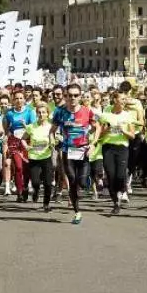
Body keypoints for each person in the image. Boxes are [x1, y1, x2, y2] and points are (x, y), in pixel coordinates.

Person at [50, 84, 100, 225]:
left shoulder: (87, 111)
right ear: (66, 96)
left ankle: (87, 181)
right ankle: (77, 212)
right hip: (67, 151)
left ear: (80, 96)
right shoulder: (60, 111)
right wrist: (53, 140)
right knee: (72, 180)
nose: (72, 98)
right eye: (69, 95)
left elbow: (97, 127)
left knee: (82, 182)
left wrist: (93, 143)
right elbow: (52, 130)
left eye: (75, 95)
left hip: (83, 150)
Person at [97, 92, 136, 214]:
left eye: (125, 99)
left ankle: (122, 190)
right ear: (115, 100)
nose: (124, 101)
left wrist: (124, 130)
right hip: (108, 147)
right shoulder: (105, 115)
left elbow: (132, 135)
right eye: (122, 99)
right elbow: (99, 133)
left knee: (120, 175)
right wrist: (106, 130)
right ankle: (116, 202)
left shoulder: (128, 115)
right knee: (110, 175)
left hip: (122, 148)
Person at [25, 102, 56, 212]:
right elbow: (23, 138)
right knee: (35, 182)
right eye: (39, 112)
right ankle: (36, 191)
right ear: (36, 114)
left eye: (43, 112)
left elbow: (53, 137)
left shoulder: (51, 127)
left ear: (48, 114)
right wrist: (26, 146)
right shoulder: (31, 126)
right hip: (34, 157)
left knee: (48, 183)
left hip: (46, 157)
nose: (41, 114)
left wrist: (52, 143)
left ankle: (46, 204)